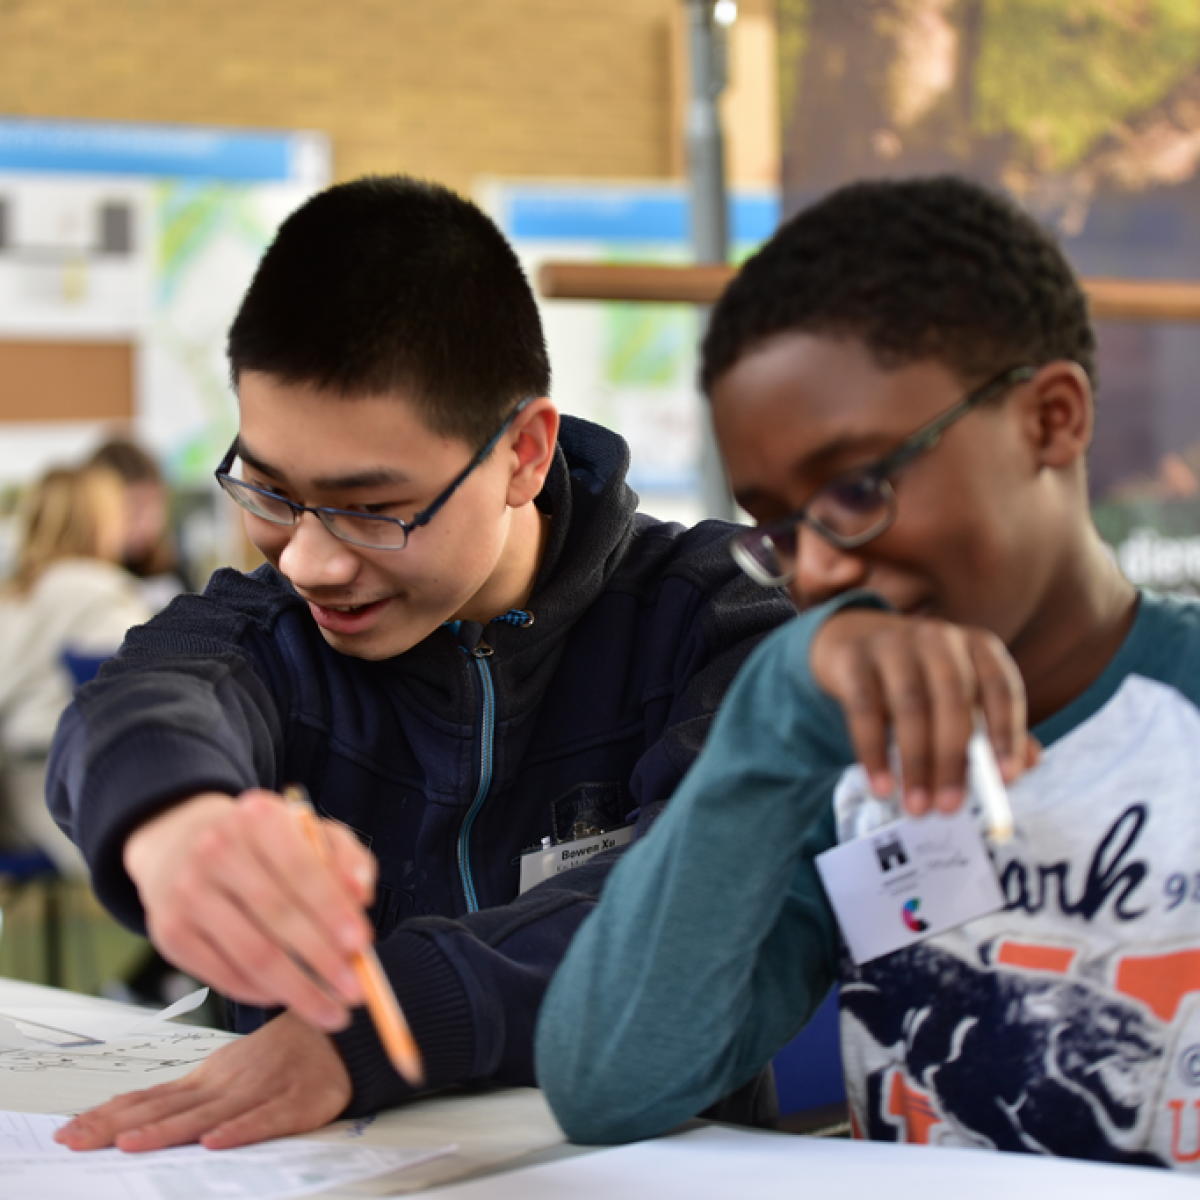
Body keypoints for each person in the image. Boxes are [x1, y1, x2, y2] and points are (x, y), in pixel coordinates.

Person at [48, 175, 793, 1153]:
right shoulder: (270, 636)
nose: (312, 562)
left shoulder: (713, 616)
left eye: (371, 508)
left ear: (524, 453)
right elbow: (145, 704)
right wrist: (175, 819)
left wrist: (373, 1026)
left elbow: (694, 908)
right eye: (267, 493)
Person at [535, 175, 1200, 1171]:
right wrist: (776, 713)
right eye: (779, 532)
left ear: (1050, 419)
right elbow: (607, 1083)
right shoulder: (829, 749)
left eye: (858, 488)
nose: (823, 570)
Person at [0, 465, 149, 875]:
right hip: (67, 787)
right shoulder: (95, 589)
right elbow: (154, 677)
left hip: (13, 797)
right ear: (98, 522)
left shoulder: (15, 595)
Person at [89, 434, 191, 609]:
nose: (148, 526)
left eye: (155, 509)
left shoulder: (171, 571)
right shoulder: (83, 579)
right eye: (133, 511)